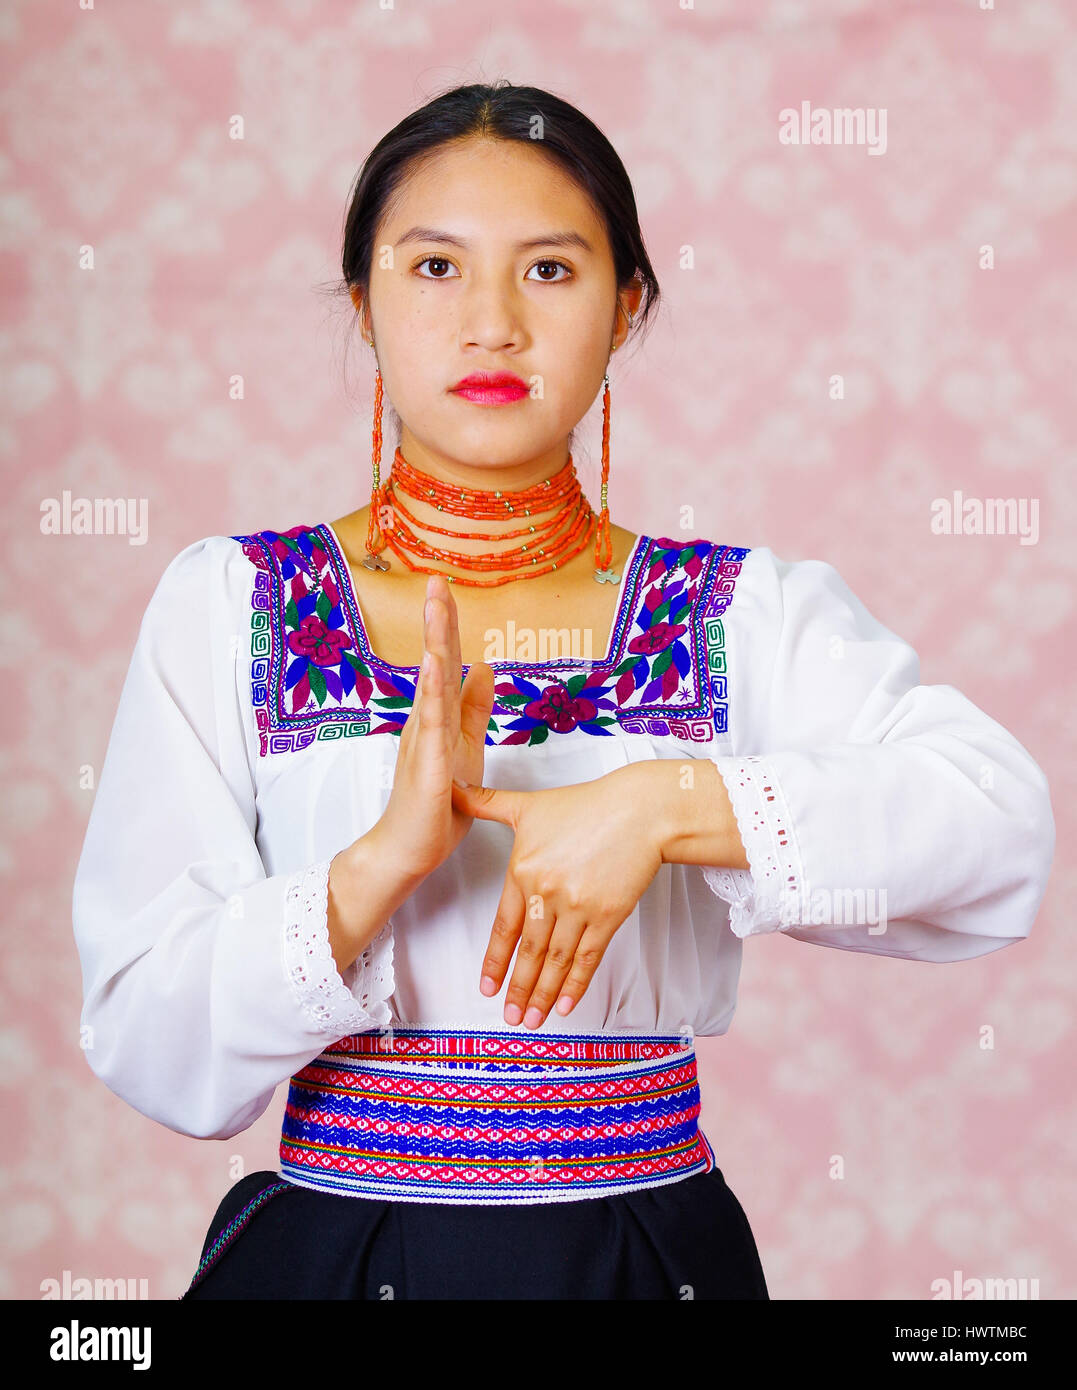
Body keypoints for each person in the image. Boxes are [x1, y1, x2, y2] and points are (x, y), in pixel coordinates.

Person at [71, 81, 1055, 1302]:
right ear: (363, 304)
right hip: (333, 1260)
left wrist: (661, 806)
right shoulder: (230, 603)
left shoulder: (735, 611)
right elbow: (147, 1038)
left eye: (549, 270)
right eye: (434, 269)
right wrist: (378, 863)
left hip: (642, 1257)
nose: (491, 325)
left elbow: (1000, 827)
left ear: (627, 305)